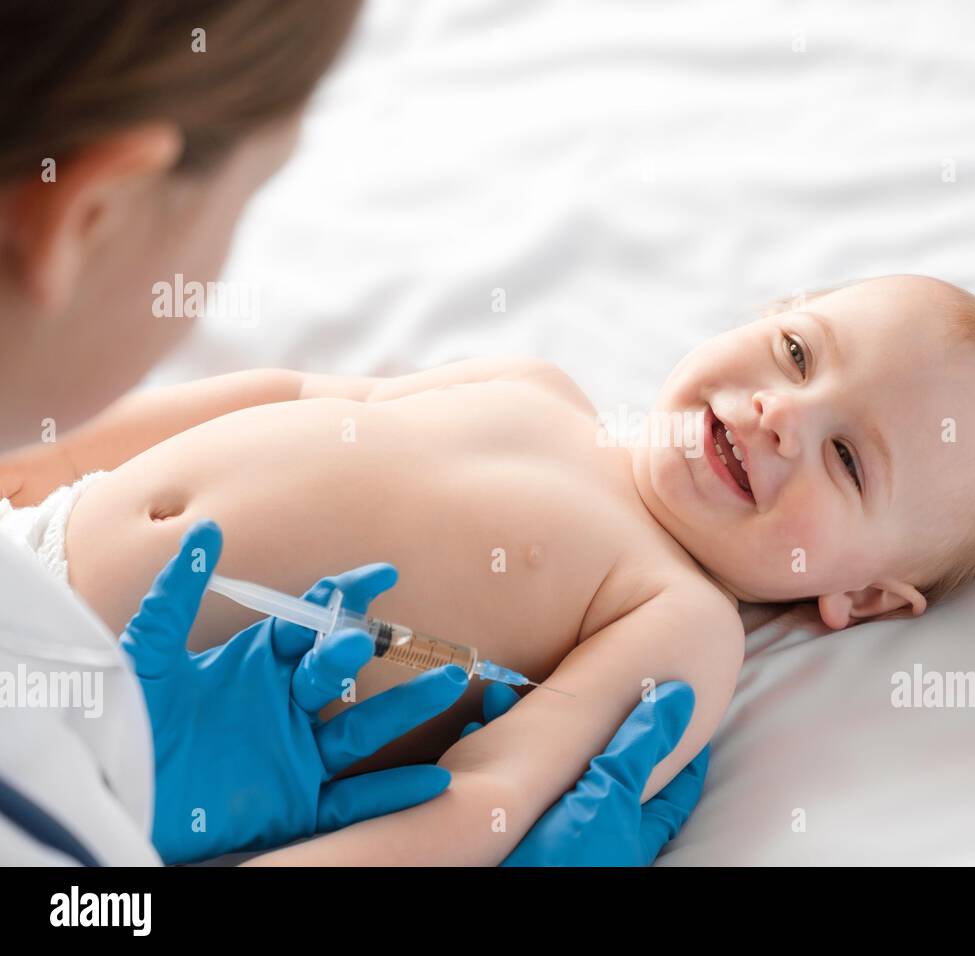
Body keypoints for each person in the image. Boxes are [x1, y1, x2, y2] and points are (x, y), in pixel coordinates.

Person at [0, 0, 706, 867]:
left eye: (850, 458)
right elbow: (294, 393)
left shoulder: (686, 614)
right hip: (45, 539)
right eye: (795, 349)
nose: (784, 421)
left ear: (867, 594)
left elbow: (485, 796)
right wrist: (54, 459)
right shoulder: (540, 387)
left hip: (108, 738)